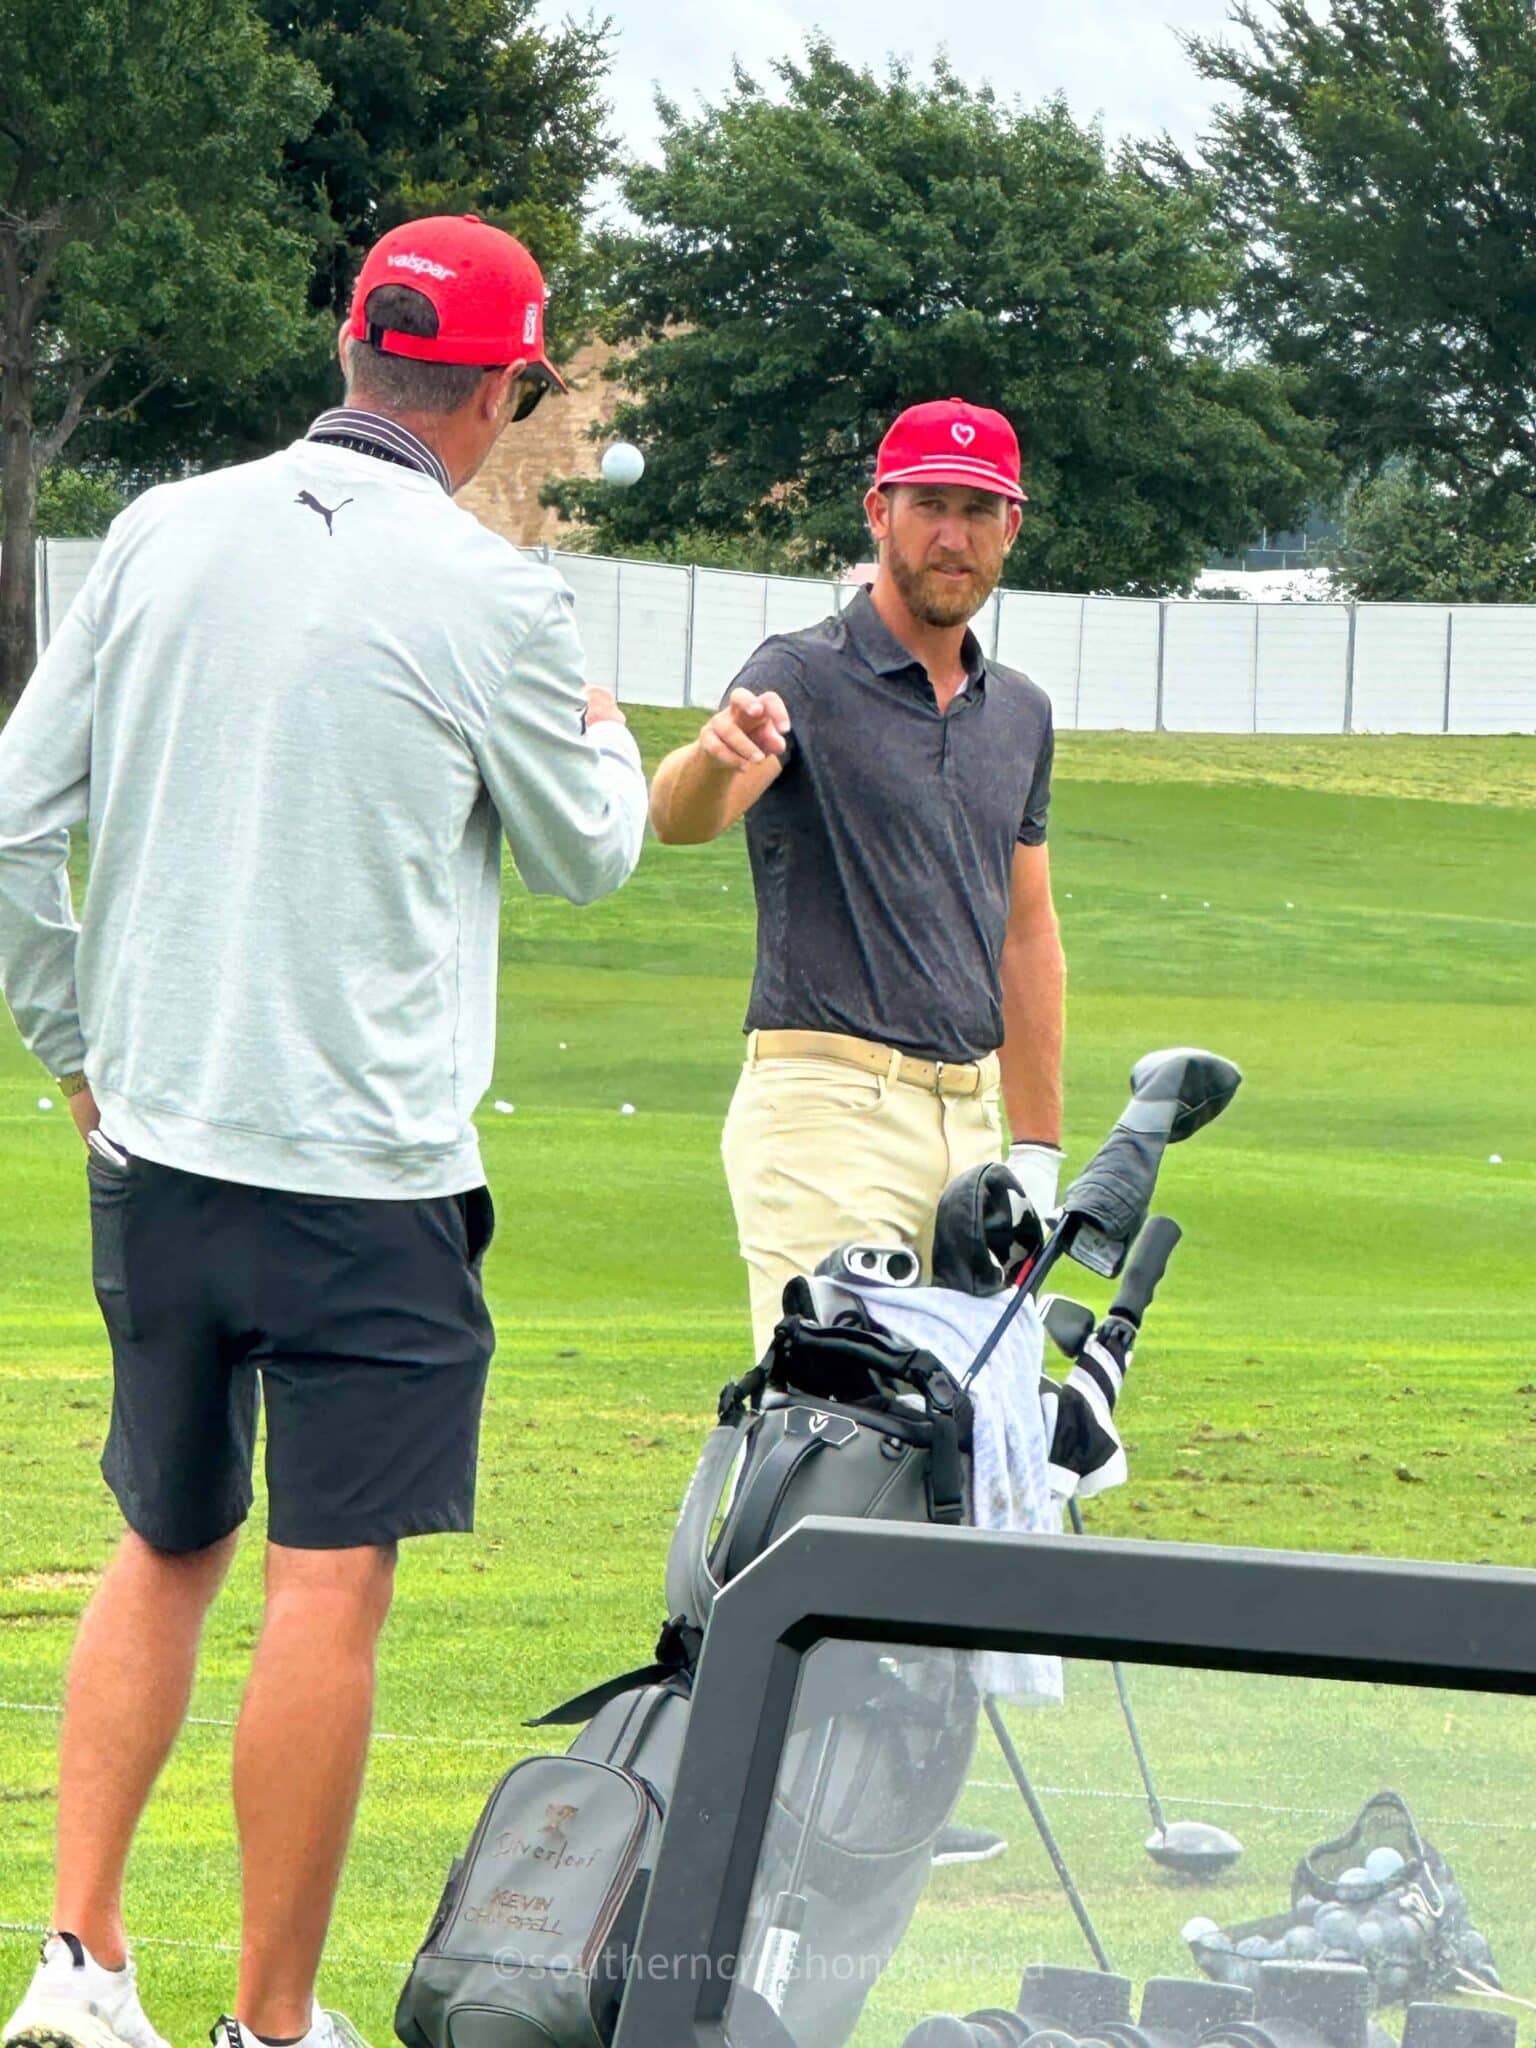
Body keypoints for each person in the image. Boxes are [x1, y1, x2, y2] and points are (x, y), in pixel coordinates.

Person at [0, 215, 646, 2048]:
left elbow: (15, 822)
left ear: (353, 348)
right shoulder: (499, 596)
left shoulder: (160, 527)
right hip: (370, 1181)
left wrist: (74, 1047)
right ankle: (270, 2024)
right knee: (326, 1583)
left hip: (161, 1152)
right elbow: (592, 848)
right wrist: (604, 726)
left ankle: (79, 1963)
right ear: (505, 392)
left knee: (163, 1540)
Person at [649, 396, 1064, 1864]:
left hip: (968, 1119)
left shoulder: (1019, 712)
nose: (953, 533)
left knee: (959, 1463)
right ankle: (756, 1773)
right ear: (878, 513)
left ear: (1011, 529)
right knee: (837, 1443)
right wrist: (717, 754)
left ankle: (889, 1790)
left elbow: (1026, 932)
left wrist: (1037, 1149)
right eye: (927, 504)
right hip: (825, 1100)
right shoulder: (797, 674)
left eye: (979, 509)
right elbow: (683, 815)